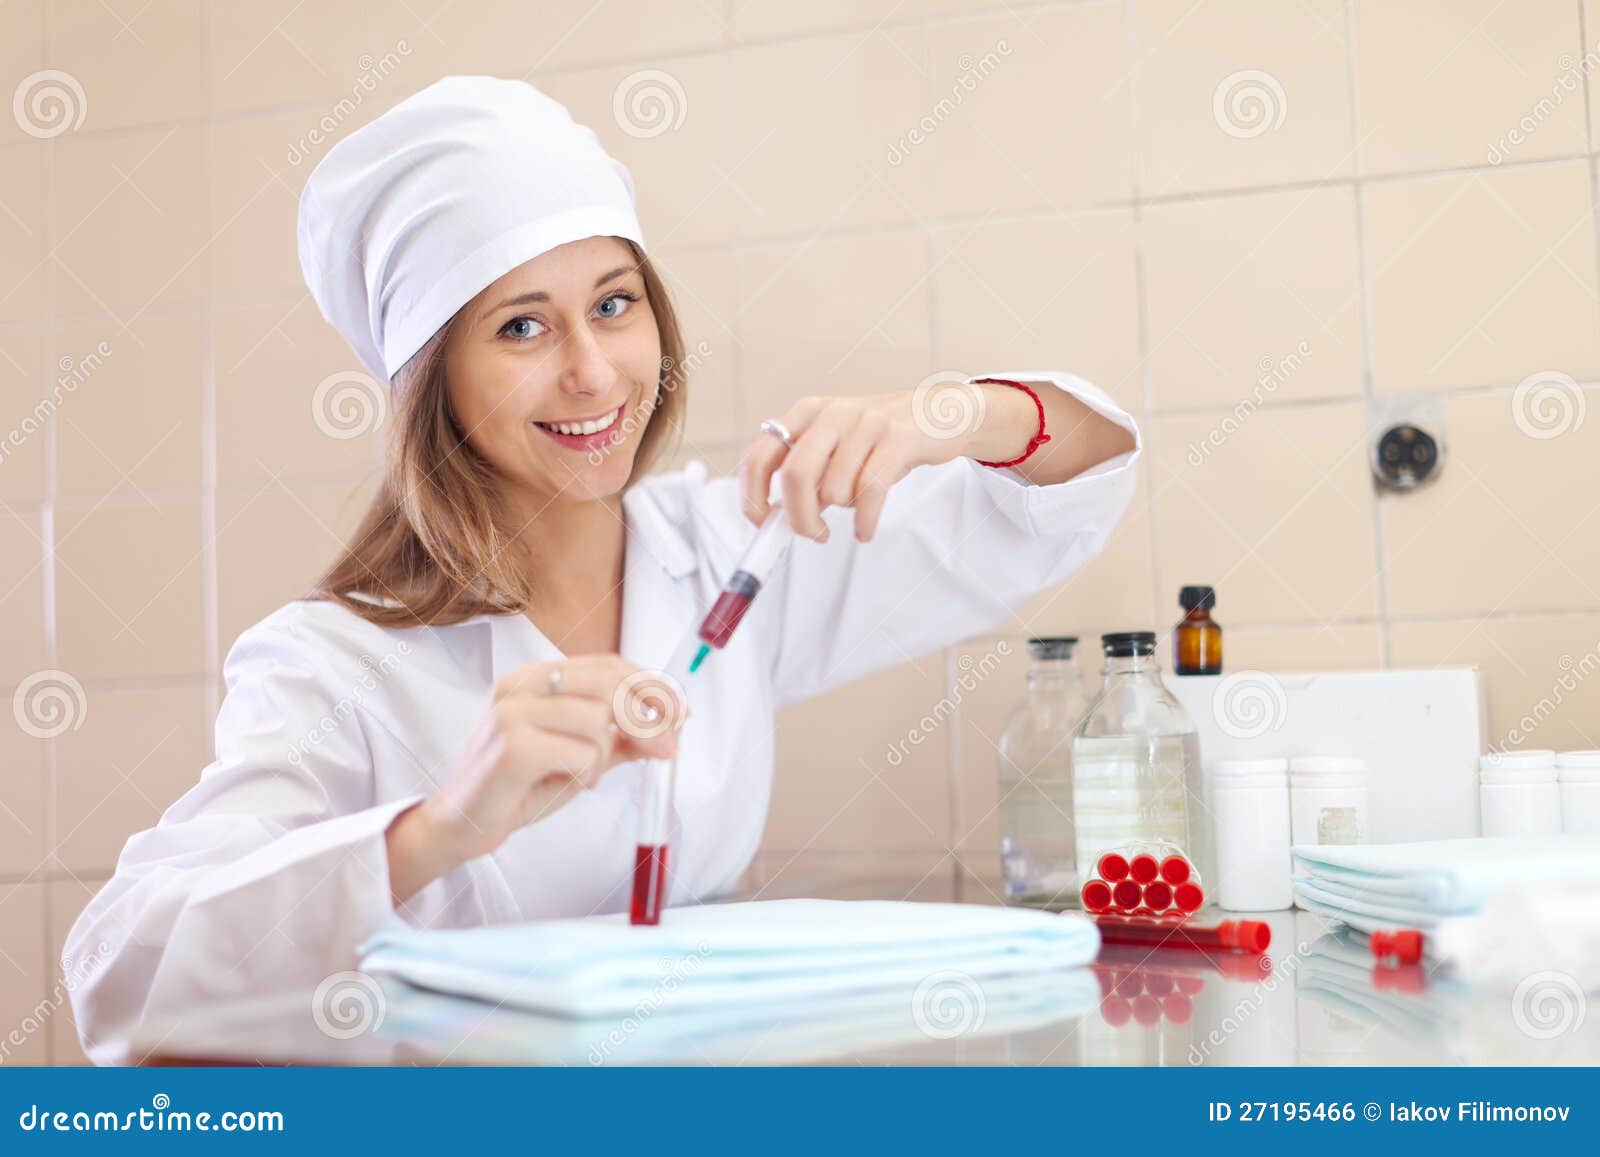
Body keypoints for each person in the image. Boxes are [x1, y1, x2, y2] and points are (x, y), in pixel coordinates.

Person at [63, 76, 1138, 1063]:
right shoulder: (333, 662)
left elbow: (1067, 486)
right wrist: (436, 828)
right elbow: (120, 979)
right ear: (432, 378)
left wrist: (957, 413)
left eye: (614, 304)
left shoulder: (734, 552)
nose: (591, 370)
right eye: (522, 324)